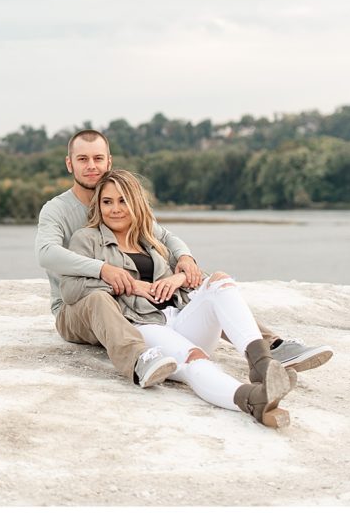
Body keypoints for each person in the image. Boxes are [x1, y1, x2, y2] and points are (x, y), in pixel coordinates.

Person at [35, 129, 332, 389]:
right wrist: (104, 270)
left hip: (133, 304)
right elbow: (46, 253)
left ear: (109, 161)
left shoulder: (118, 199)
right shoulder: (57, 210)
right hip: (79, 305)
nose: (91, 166)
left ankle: (270, 346)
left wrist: (186, 260)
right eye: (83, 159)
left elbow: (163, 236)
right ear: (69, 163)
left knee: (207, 288)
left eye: (98, 158)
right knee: (103, 301)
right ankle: (138, 361)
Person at [62, 169, 296, 427]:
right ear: (98, 205)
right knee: (194, 358)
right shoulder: (87, 239)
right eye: (107, 202)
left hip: (179, 316)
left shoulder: (151, 240)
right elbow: (72, 289)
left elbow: (198, 276)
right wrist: (127, 285)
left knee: (221, 281)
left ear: (136, 203)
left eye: (123, 201)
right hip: (144, 325)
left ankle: (261, 364)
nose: (115, 209)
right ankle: (251, 399)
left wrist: (178, 278)